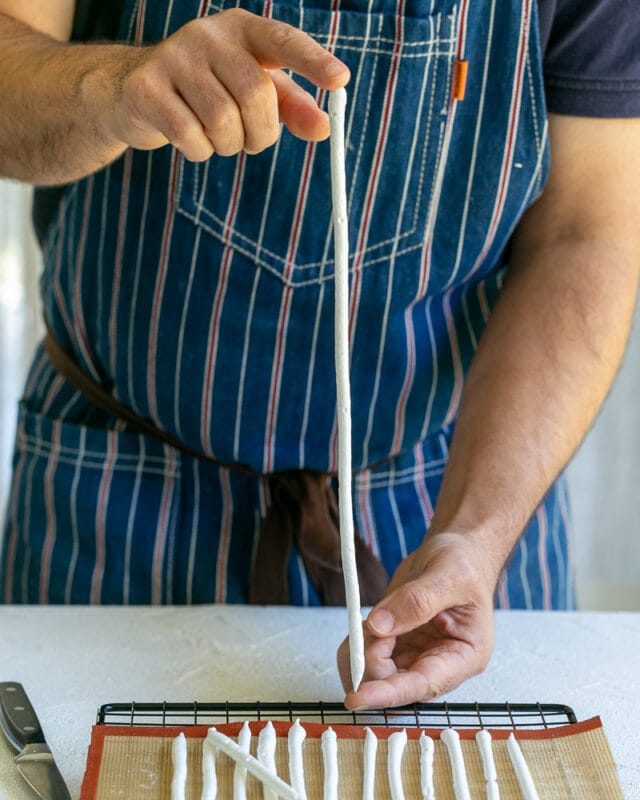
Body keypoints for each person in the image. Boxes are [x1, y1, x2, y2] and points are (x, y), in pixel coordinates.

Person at [0, 0, 638, 711]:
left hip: (443, 498)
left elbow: (585, 234)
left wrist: (475, 533)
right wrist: (117, 86)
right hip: (113, 501)